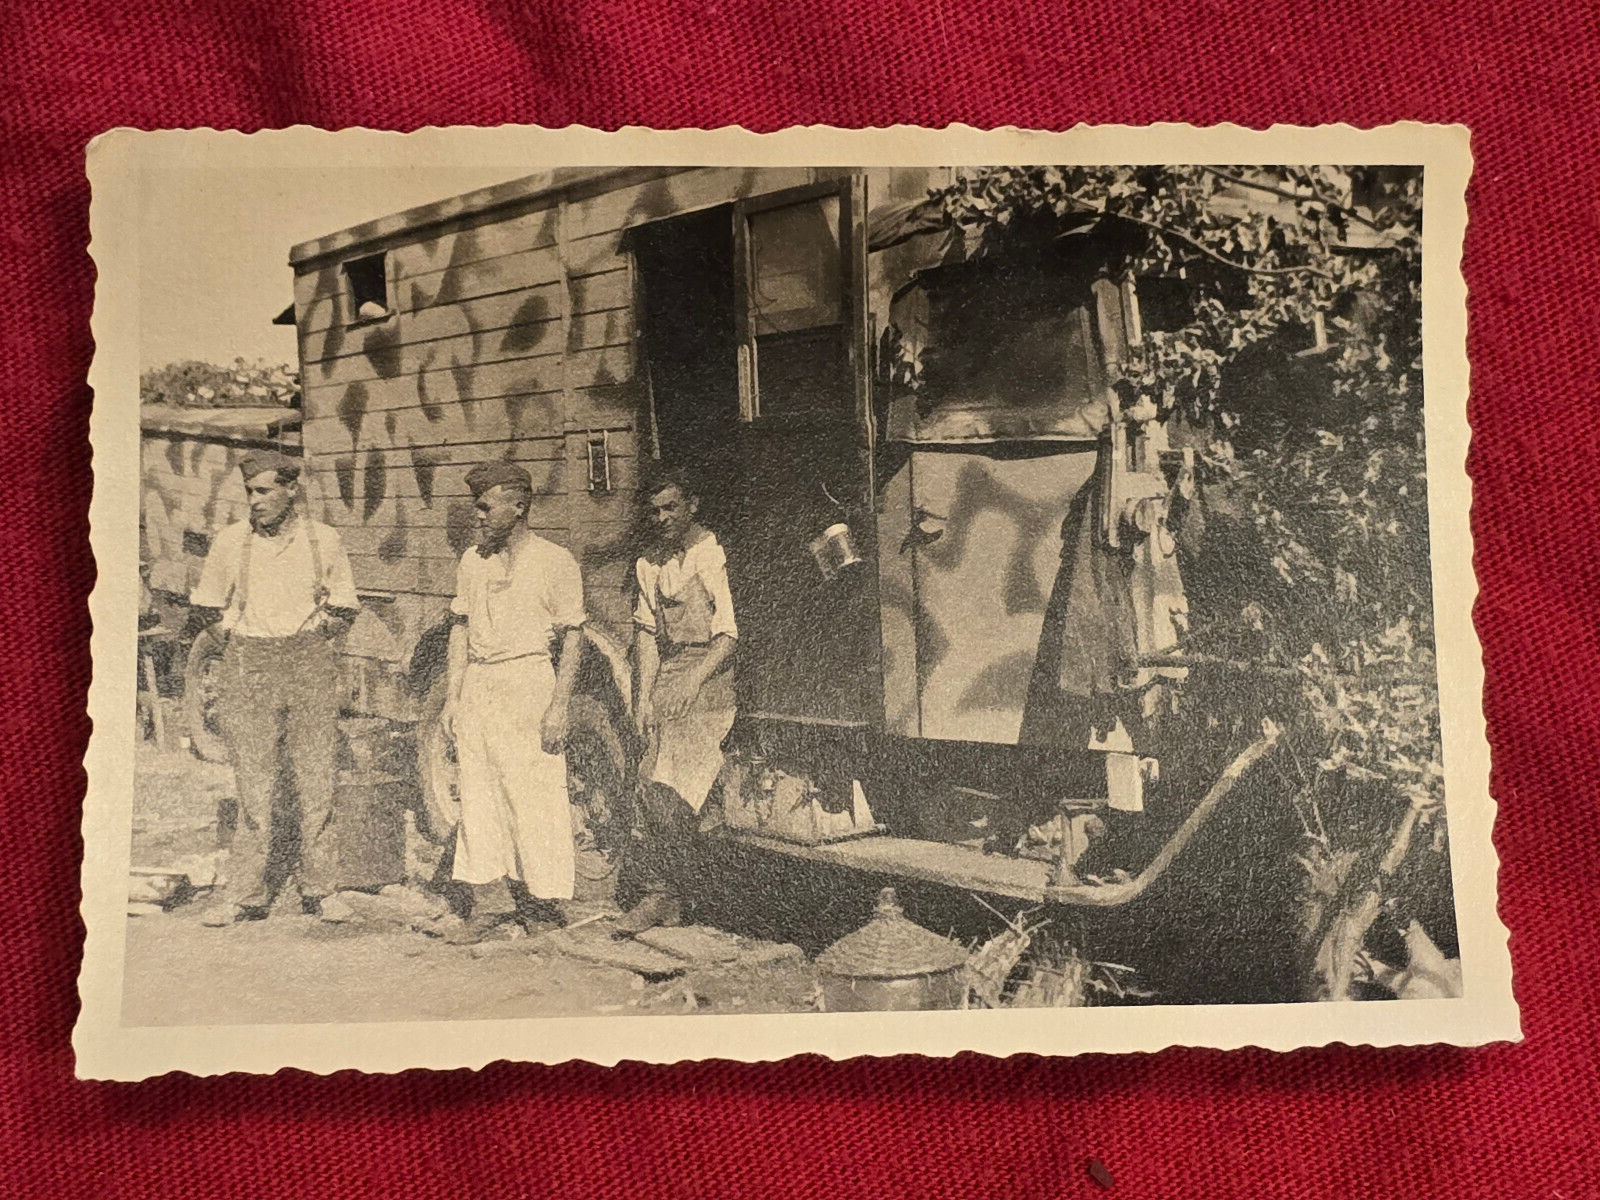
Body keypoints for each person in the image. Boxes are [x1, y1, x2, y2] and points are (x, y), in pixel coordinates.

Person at [189, 449, 359, 926]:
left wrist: (311, 640)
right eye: (249, 492)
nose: (255, 500)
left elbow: (345, 604)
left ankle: (323, 888)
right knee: (254, 782)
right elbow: (205, 605)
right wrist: (236, 641)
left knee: (316, 777)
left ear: (291, 491)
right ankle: (243, 893)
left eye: (264, 491)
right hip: (249, 662)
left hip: (308, 662)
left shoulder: (323, 540)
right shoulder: (230, 542)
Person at [440, 462, 588, 941]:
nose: (477, 516)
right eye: (475, 507)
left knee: (535, 797)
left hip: (529, 683)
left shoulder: (555, 562)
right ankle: (489, 904)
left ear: (519, 505)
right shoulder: (471, 562)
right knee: (479, 796)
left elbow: (573, 636)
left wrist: (560, 705)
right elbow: (459, 629)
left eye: (485, 506)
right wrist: (452, 697)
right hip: (480, 687)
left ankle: (541, 907)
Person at [615, 467, 739, 936]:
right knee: (649, 780)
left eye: (671, 508)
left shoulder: (712, 554)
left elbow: (728, 634)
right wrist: (644, 697)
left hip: (712, 678)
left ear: (692, 506)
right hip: (669, 676)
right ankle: (666, 895)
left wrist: (693, 681)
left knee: (678, 786)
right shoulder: (649, 563)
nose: (662, 518)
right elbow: (647, 635)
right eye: (655, 511)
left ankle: (676, 893)